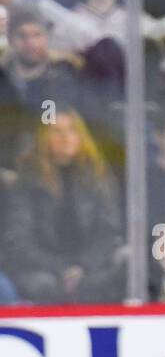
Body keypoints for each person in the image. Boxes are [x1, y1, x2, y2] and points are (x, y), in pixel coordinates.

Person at [4, 109, 122, 303]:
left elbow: (109, 231)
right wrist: (61, 268)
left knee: (126, 263)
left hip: (90, 266)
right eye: (57, 131)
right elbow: (18, 241)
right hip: (43, 269)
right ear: (43, 138)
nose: (66, 137)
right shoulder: (25, 180)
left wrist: (83, 266)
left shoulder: (99, 176)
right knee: (44, 285)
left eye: (72, 130)